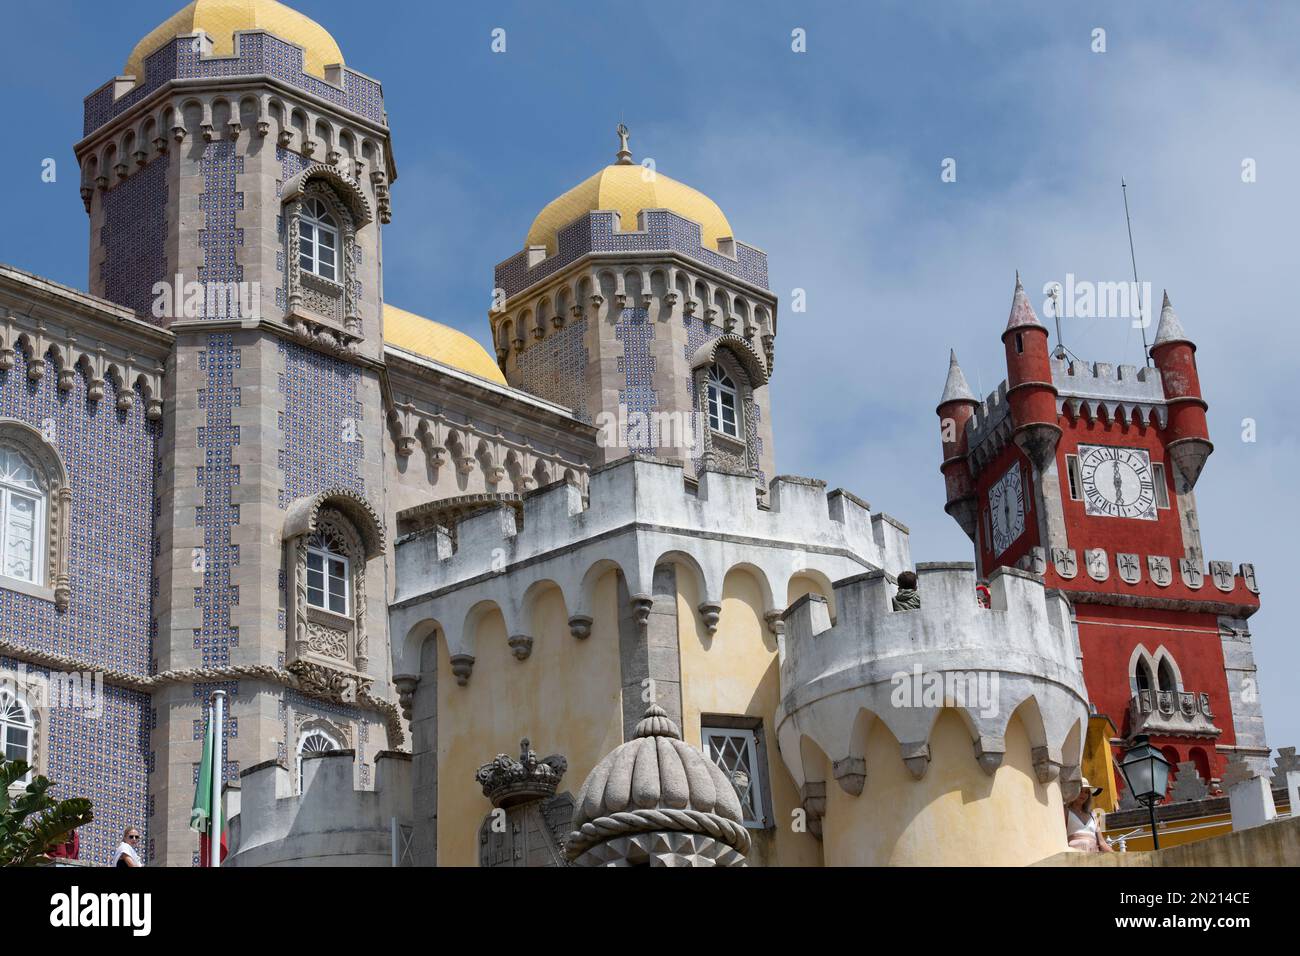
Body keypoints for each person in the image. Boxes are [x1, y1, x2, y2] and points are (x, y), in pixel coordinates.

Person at [1065, 778, 1113, 853]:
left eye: (1086, 792)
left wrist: (1118, 858)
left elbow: (1102, 843)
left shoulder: (1093, 815)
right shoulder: (1066, 811)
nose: (1083, 795)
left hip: (1093, 856)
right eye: (1080, 791)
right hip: (1074, 857)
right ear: (1073, 792)